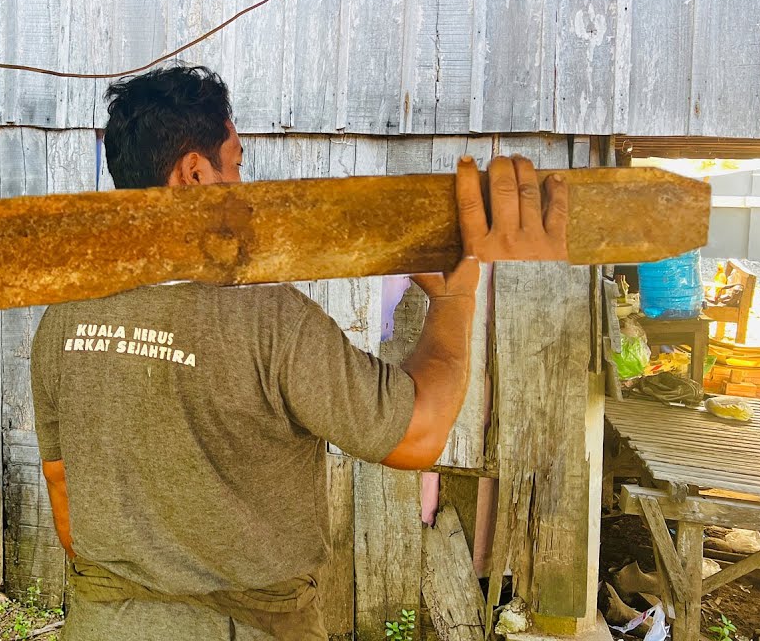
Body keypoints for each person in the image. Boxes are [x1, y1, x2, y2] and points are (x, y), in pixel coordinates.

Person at [30, 65, 568, 640]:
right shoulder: (269, 321)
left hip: (102, 626)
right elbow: (419, 434)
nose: (242, 183)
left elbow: (63, 488)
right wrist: (457, 300)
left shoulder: (63, 317)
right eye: (234, 164)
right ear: (194, 172)